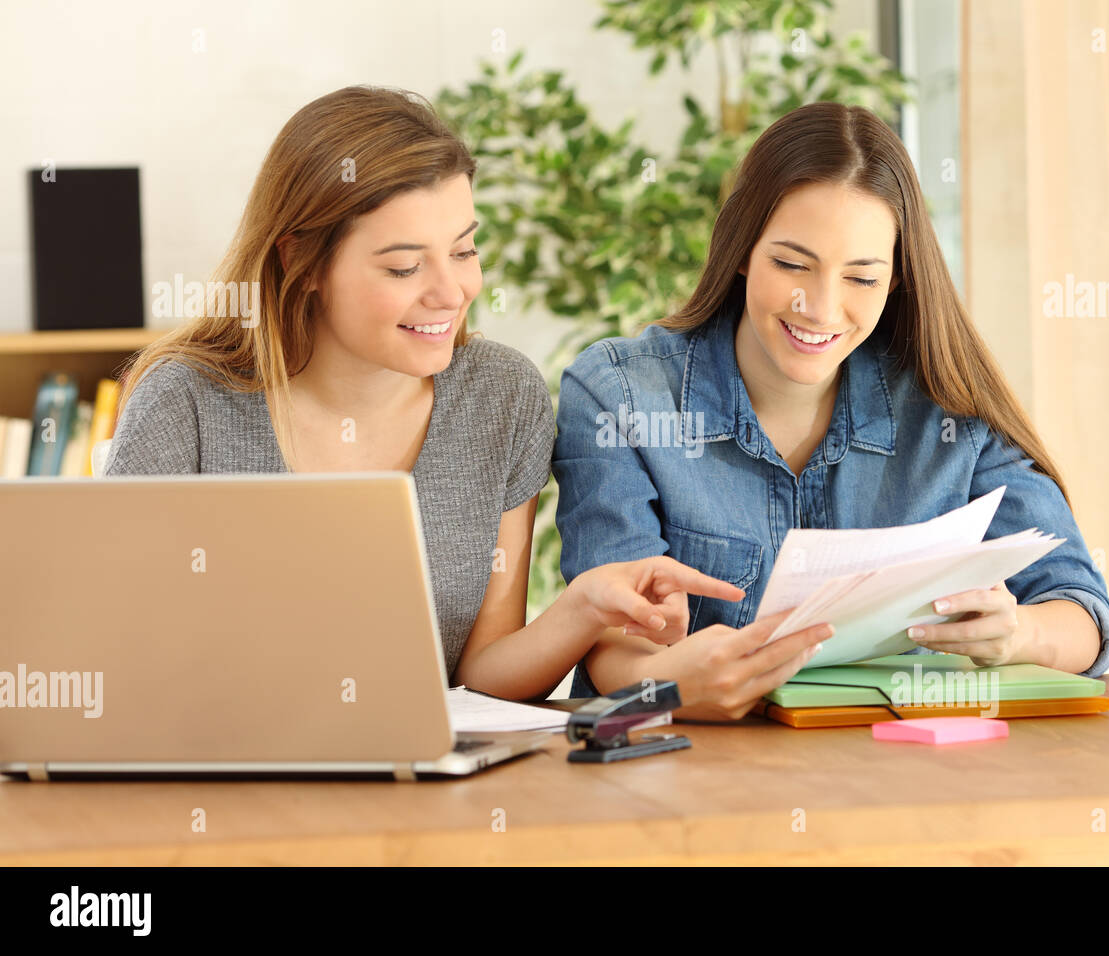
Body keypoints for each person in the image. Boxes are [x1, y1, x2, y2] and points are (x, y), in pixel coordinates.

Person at [104, 85, 785, 702]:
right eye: (404, 266)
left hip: (423, 788)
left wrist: (583, 608)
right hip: (221, 781)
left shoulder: (501, 396)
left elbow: (482, 672)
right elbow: (116, 648)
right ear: (300, 262)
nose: (451, 291)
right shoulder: (185, 402)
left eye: (464, 251)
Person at [553, 101, 1109, 720]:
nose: (820, 309)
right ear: (743, 248)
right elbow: (608, 647)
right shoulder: (622, 395)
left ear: (898, 278)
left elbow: (1081, 612)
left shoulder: (947, 405)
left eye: (862, 278)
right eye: (792, 264)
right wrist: (674, 687)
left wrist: (1019, 634)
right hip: (688, 780)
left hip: (897, 773)